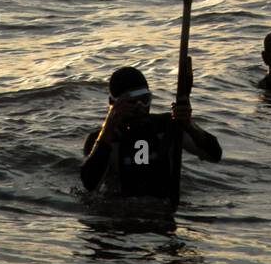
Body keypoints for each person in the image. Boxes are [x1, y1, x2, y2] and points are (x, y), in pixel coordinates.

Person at [81, 63, 221, 199]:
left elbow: (215, 155)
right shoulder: (101, 140)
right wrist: (109, 126)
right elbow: (90, 185)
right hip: (121, 216)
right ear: (114, 105)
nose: (140, 108)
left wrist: (190, 126)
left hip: (163, 214)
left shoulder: (167, 128)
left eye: (145, 100)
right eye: (132, 103)